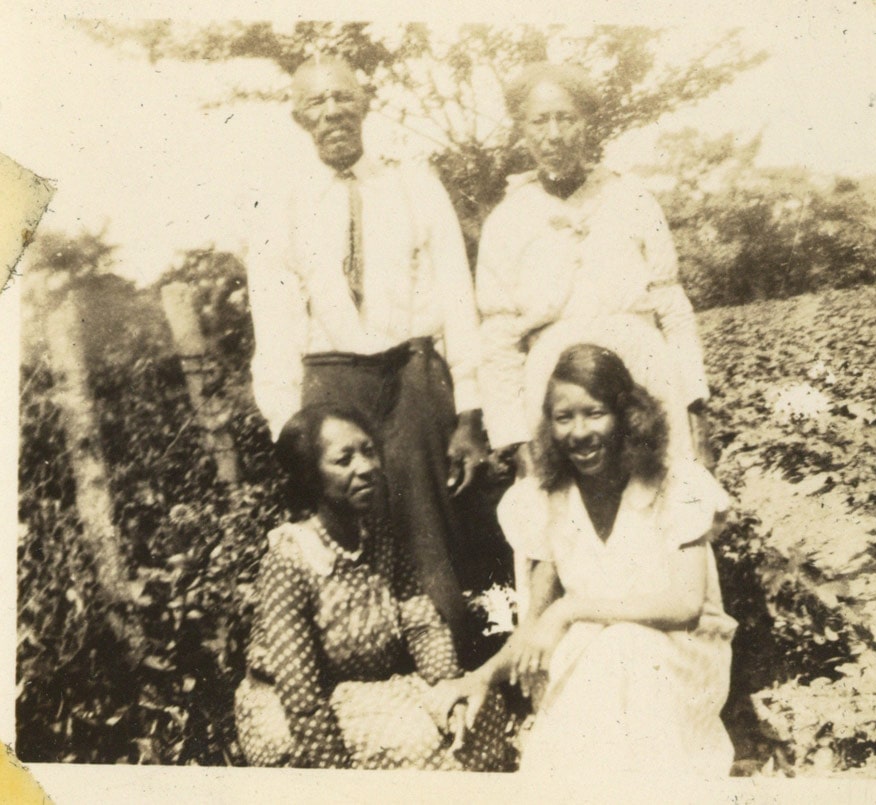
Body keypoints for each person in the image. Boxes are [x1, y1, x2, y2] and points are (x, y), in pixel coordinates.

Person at [244, 53, 507, 657]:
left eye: (343, 97)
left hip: (414, 375)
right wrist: (292, 434)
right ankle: (390, 681)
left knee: (444, 526)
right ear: (297, 117)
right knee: (359, 534)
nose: (332, 111)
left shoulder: (414, 182)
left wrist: (468, 414)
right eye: (316, 102)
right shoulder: (280, 203)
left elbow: (457, 298)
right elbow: (275, 326)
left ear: (364, 103)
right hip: (331, 384)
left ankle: (475, 674)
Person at [434, 345, 737, 776]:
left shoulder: (675, 483)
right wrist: (479, 677)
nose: (579, 432)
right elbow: (534, 632)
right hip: (594, 668)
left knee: (623, 648)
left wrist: (573, 608)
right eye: (564, 418)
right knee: (604, 669)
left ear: (627, 416)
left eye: (594, 413)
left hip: (678, 661)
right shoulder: (550, 499)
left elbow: (686, 606)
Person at [234, 405, 513, 770]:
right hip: (298, 709)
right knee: (419, 743)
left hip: (370, 691)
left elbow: (422, 625)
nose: (365, 467)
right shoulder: (292, 558)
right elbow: (301, 694)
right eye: (343, 460)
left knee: (480, 711)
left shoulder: (378, 537)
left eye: (368, 451)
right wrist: (335, 776)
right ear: (309, 476)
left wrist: (450, 690)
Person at [474, 61, 716, 476]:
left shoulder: (631, 198)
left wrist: (696, 408)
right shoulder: (506, 220)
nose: (554, 135)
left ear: (587, 123)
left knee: (663, 505)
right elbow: (498, 340)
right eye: (539, 121)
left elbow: (672, 309)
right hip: (558, 400)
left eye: (566, 119)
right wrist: (514, 438)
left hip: (645, 380)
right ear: (522, 128)